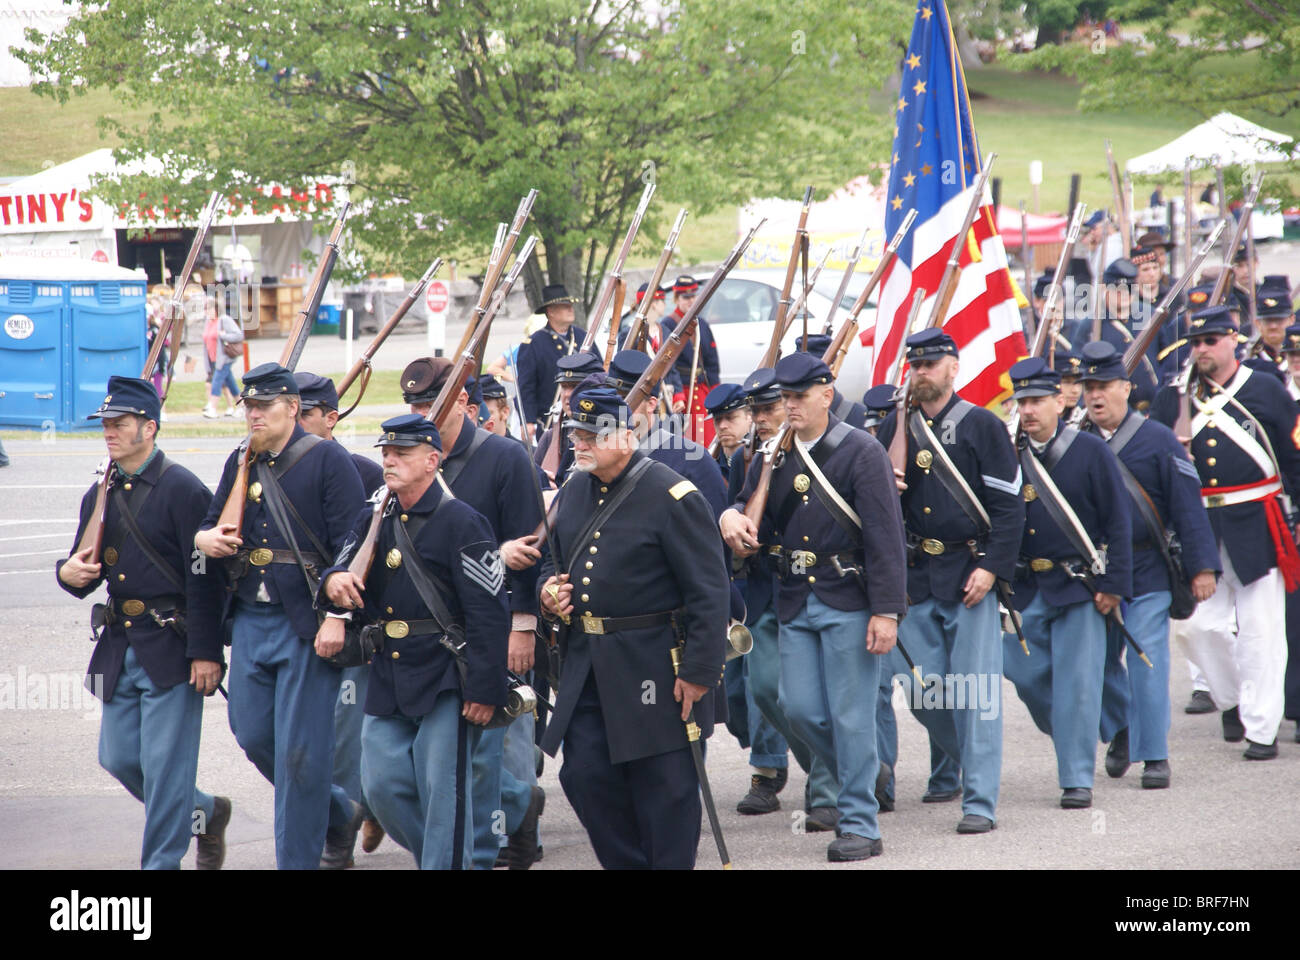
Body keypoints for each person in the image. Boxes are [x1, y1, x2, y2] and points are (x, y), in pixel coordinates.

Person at [722, 352, 908, 861]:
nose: (789, 405)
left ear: (827, 395)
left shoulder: (861, 452)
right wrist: (729, 517)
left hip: (848, 594)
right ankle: (865, 774)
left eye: (799, 396)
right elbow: (744, 502)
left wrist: (887, 611)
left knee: (851, 717)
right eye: (784, 397)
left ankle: (860, 824)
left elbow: (885, 538)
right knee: (797, 707)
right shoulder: (771, 454)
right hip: (794, 598)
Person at [538, 386, 729, 868]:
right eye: (574, 433)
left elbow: (709, 591)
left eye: (589, 434)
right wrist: (548, 594)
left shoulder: (672, 495)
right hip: (589, 667)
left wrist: (701, 672)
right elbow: (551, 561)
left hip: (657, 665)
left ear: (624, 436)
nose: (578, 443)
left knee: (666, 792)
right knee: (584, 778)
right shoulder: (574, 489)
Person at [316, 414, 510, 869]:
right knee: (379, 785)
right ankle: (446, 859)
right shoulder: (374, 515)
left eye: (401, 453)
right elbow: (339, 567)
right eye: (385, 452)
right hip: (389, 670)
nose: (389, 460)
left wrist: (485, 688)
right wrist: (333, 588)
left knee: (443, 792)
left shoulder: (464, 521)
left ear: (431, 461)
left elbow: (489, 612)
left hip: (445, 674)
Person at [195, 362, 366, 869]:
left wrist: (338, 616)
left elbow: (352, 546)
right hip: (250, 618)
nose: (253, 415)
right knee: (251, 733)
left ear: (292, 408)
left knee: (299, 757)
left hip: (307, 623)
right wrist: (204, 539)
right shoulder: (240, 459)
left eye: (263, 406)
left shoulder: (329, 461)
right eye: (248, 406)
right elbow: (210, 526)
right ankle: (338, 813)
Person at [56, 376, 230, 869]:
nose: (109, 431)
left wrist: (206, 651)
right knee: (118, 758)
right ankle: (204, 811)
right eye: (106, 423)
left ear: (149, 428)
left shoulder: (183, 489)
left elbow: (207, 578)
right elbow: (82, 570)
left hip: (172, 647)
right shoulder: (101, 492)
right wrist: (66, 573)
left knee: (165, 768)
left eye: (120, 423)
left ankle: (160, 865)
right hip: (118, 646)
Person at [873, 329, 1024, 834]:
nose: (922, 372)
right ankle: (967, 761)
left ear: (953, 367)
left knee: (977, 693)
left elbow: (1008, 507)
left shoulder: (982, 426)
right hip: (917, 577)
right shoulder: (893, 430)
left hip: (971, 572)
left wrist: (992, 568)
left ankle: (980, 802)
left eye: (931, 364)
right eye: (915, 366)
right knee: (924, 689)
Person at [399, 357, 546, 869]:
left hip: (495, 622)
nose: (421, 414)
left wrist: (523, 626)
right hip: (435, 632)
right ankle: (515, 809)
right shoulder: (411, 459)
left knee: (492, 751)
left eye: (430, 404)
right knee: (443, 765)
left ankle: (487, 848)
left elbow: (530, 550)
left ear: (463, 401)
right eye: (415, 405)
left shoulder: (505, 459)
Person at [1150, 306, 1300, 759]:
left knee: (1261, 633)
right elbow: (1156, 461)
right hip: (1201, 526)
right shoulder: (1174, 397)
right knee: (1197, 630)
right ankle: (1233, 699)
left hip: (1259, 522)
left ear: (1233, 340)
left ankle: (1261, 730)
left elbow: (1293, 459)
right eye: (1196, 342)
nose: (1202, 349)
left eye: (1210, 340)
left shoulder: (1267, 391)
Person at [1078, 342, 1220, 790]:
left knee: (1147, 658)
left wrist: (1202, 567)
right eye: (1089, 388)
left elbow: (1187, 506)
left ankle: (1153, 752)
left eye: (1104, 387)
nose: (1096, 396)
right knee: (1094, 663)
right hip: (1095, 574)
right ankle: (1122, 726)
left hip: (1147, 569)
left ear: (1126, 387)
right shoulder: (1075, 443)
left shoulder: (1157, 439)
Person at [1001, 357, 1132, 809]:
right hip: (1029, 587)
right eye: (1022, 402)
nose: (1029, 410)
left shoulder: (1090, 451)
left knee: (1077, 683)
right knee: (1022, 673)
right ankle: (1115, 720)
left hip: (1081, 587)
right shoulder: (1010, 454)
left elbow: (1119, 521)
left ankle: (1076, 777)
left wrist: (1114, 583)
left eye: (1038, 400)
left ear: (1061, 400)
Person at [727, 368, 838, 824]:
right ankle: (829, 768)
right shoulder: (747, 458)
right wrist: (730, 517)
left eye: (770, 408)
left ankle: (830, 788)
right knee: (767, 691)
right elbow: (739, 502)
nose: (762, 418)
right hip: (762, 587)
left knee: (822, 699)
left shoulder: (819, 451)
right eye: (755, 410)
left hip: (813, 587)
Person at [293, 371, 385, 861]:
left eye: (307, 413)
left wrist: (343, 613)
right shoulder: (271, 469)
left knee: (347, 736)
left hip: (349, 625)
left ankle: (345, 828)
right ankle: (358, 808)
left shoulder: (365, 473)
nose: (297, 421)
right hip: (292, 624)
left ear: (331, 418)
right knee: (304, 741)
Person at [601, 349, 729, 518]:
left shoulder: (693, 461)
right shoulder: (601, 454)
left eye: (626, 398)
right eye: (612, 397)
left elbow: (715, 533)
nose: (617, 407)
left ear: (651, 404)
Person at [516, 283, 586, 429]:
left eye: (570, 305)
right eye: (565, 306)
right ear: (551, 311)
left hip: (584, 416)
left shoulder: (583, 337)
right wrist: (528, 421)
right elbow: (526, 386)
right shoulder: (533, 344)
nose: (570, 309)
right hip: (550, 422)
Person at [532, 351, 604, 485]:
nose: (567, 395)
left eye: (576, 386)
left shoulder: (611, 436)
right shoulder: (551, 436)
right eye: (564, 387)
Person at [703, 382, 751, 486]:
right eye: (717, 420)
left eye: (730, 418)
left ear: (749, 417)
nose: (722, 426)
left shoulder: (761, 458)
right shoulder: (710, 464)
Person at [203, 313, 243, 419]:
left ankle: (212, 408)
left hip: (224, 358)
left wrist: (223, 335)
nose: (207, 311)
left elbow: (239, 335)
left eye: (209, 308)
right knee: (230, 383)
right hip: (213, 359)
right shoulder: (208, 322)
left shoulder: (224, 320)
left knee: (216, 381)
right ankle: (241, 406)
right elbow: (206, 341)